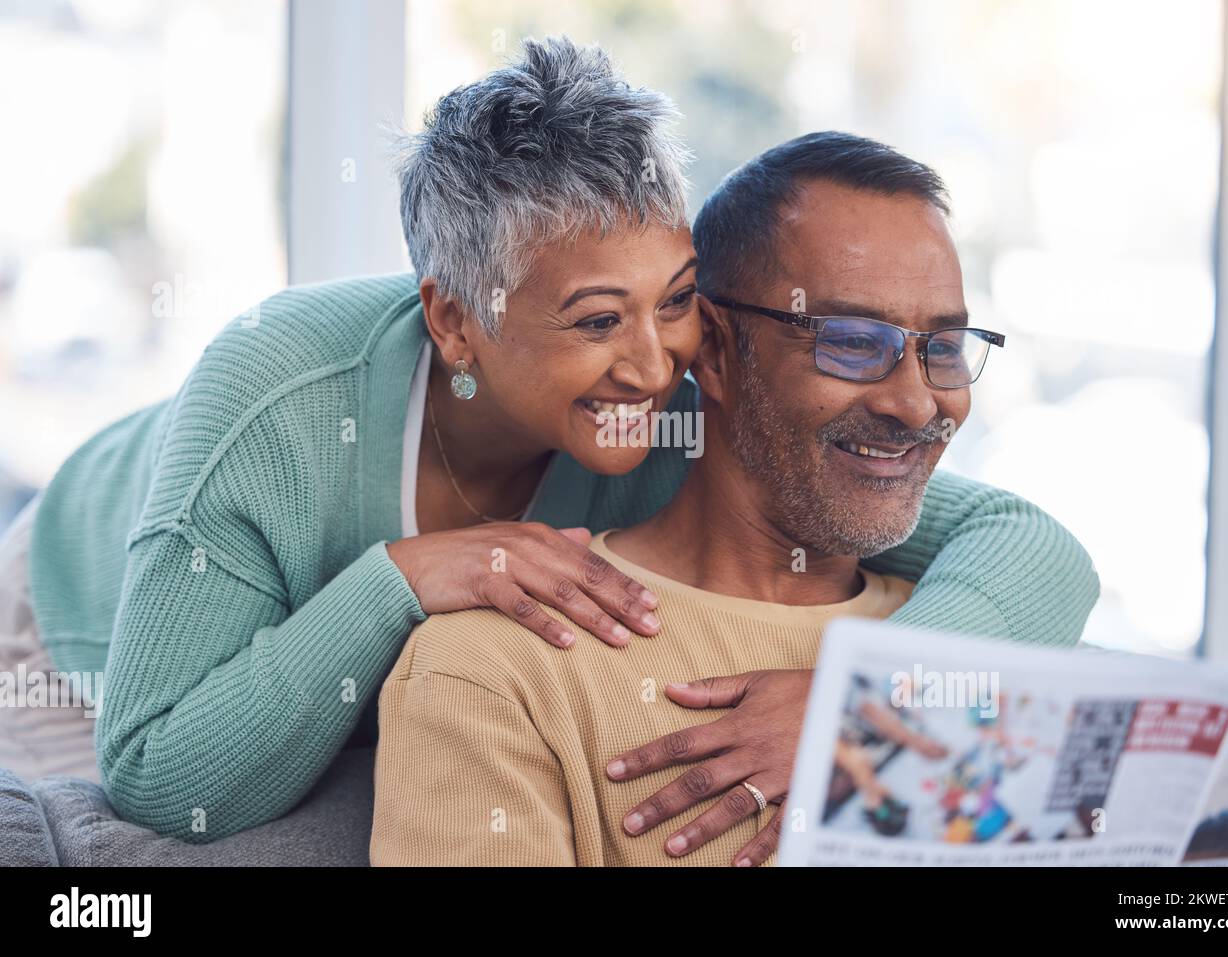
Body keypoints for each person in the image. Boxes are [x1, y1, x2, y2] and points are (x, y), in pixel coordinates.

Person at [0, 38, 1095, 845]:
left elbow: (1022, 545)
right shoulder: (280, 390)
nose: (653, 362)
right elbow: (156, 771)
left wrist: (880, 694)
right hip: (80, 643)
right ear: (453, 319)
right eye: (593, 320)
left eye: (674, 302)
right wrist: (402, 579)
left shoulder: (675, 394)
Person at [370, 131, 1099, 866]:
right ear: (716, 352)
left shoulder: (1008, 649)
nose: (915, 404)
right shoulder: (493, 672)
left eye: (942, 348)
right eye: (850, 341)